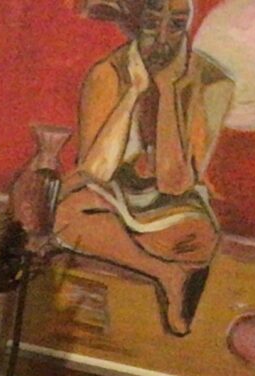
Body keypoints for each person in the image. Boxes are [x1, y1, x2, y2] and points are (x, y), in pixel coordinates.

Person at [52, 0, 235, 337]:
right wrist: (134, 91)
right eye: (152, 24)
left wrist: (166, 91)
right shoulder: (107, 72)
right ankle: (167, 274)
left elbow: (176, 182)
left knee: (202, 239)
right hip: (112, 199)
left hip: (173, 210)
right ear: (136, 23)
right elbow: (95, 170)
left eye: (176, 25)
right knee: (66, 217)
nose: (163, 38)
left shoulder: (213, 83)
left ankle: (134, 254)